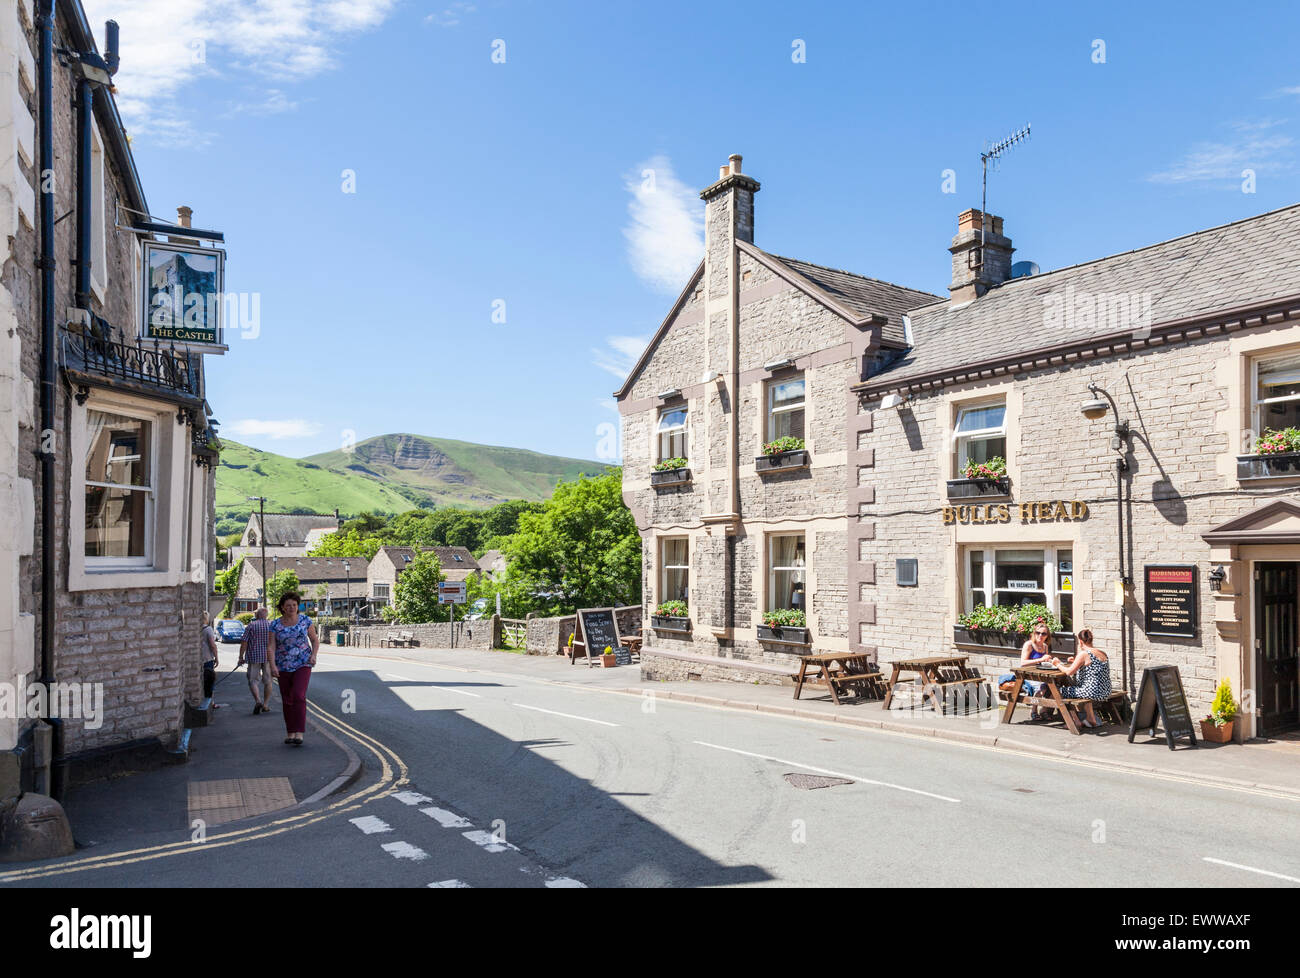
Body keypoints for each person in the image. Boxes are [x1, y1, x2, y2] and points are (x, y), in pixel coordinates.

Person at [267, 592, 319, 746]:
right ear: (282, 607)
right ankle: (290, 732)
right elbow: (271, 646)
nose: (291, 608)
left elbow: (314, 640)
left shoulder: (305, 621)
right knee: (287, 699)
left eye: (294, 605)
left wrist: (314, 655)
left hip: (303, 662)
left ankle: (299, 733)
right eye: (288, 605)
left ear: (298, 607)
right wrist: (272, 665)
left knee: (298, 695)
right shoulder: (275, 625)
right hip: (283, 665)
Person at [1047, 627, 1112, 729]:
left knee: (1059, 691)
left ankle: (1075, 721)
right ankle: (1091, 718)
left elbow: (1069, 672)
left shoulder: (1084, 654)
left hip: (1092, 692)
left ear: (1081, 642)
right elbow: (1092, 668)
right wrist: (1075, 662)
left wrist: (1057, 664)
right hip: (1105, 691)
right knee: (1080, 689)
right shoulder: (1102, 653)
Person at [999, 620, 1052, 720]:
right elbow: (1023, 663)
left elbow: (1043, 663)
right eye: (1038, 632)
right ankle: (1034, 711)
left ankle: (1044, 710)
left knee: (1055, 687)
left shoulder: (1045, 646)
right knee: (1040, 688)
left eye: (1043, 633)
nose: (1040, 635)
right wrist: (1040, 659)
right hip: (1028, 676)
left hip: (1040, 674)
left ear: (1047, 636)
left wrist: (1049, 661)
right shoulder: (1029, 645)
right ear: (1034, 633)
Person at [238, 607, 273, 714]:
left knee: (253, 680)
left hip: (254, 657)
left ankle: (258, 700)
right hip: (268, 657)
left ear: (256, 615)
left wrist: (241, 657)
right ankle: (266, 705)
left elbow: (244, 642)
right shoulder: (271, 625)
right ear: (266, 615)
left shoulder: (251, 626)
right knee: (268, 681)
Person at [200, 612, 218, 699]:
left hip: (199, 659)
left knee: (202, 680)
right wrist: (216, 658)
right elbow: (212, 645)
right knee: (210, 680)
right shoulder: (208, 629)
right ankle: (211, 701)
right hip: (208, 658)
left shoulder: (197, 628)